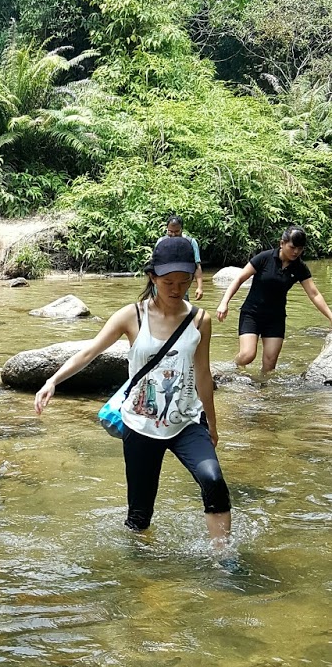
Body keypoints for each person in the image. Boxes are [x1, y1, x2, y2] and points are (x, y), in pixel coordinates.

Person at [34, 236, 231, 548]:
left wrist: (213, 425)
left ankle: (223, 558)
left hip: (186, 422)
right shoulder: (132, 315)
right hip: (141, 426)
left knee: (214, 481)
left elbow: (203, 375)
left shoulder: (200, 320)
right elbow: (90, 352)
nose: (177, 289)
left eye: (183, 282)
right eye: (168, 282)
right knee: (139, 517)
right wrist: (53, 381)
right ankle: (139, 575)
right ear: (152, 276)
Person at [216, 225, 332, 376]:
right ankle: (234, 366)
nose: (296, 252)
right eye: (293, 247)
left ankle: (264, 394)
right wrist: (224, 302)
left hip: (275, 318)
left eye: (300, 248)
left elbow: (314, 294)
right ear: (282, 243)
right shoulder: (265, 258)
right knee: (247, 355)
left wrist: (330, 316)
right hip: (252, 314)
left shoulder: (299, 267)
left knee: (269, 366)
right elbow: (239, 279)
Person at [165, 216, 203, 301]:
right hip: (163, 287)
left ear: (182, 229)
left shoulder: (190, 242)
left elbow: (196, 266)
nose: (173, 235)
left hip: (182, 286)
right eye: (170, 231)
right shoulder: (161, 242)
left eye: (177, 231)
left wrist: (199, 287)